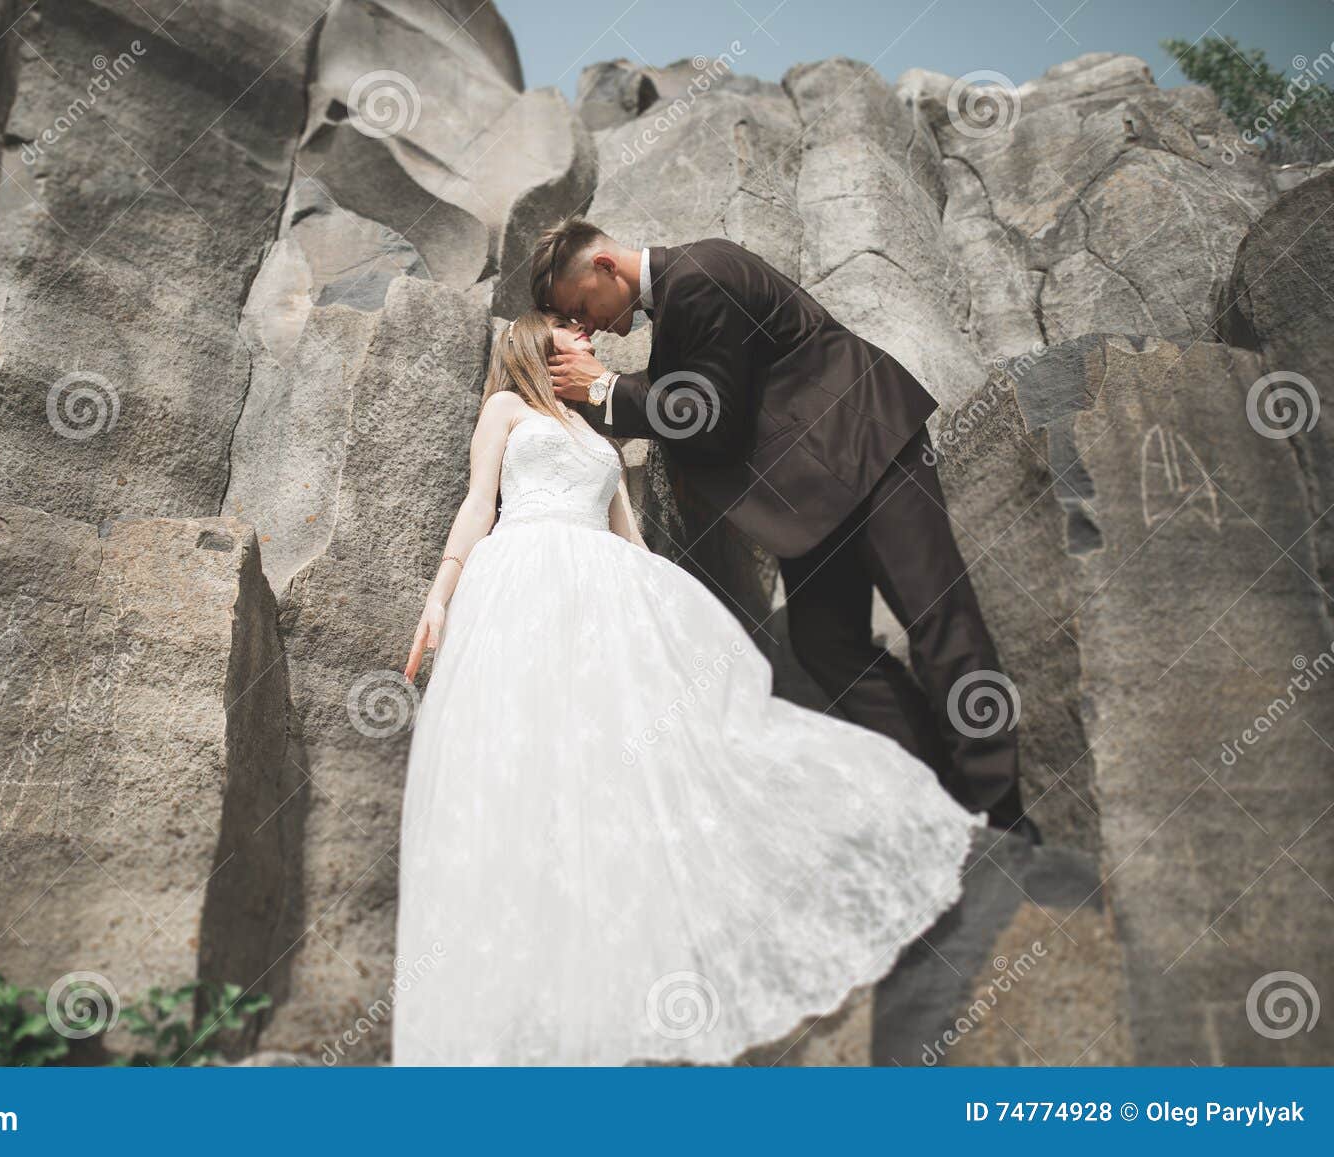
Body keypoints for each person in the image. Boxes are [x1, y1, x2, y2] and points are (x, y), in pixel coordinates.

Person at [391, 309, 989, 1066]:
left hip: (605, 587)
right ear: (537, 348)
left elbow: (629, 534)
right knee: (530, 760)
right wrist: (440, 595)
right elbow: (479, 502)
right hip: (522, 577)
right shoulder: (506, 410)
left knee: (629, 761)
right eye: (572, 335)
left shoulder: (598, 435)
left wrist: (673, 611)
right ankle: (528, 1003)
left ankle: (630, 976)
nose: (587, 340)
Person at [531, 219, 1038, 845]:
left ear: (607, 267)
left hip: (870, 450)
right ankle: (939, 798)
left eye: (585, 306)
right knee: (827, 643)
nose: (597, 323)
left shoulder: (700, 276)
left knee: (941, 625)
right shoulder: (684, 291)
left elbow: (712, 412)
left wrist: (605, 386)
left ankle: (1004, 816)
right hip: (818, 493)